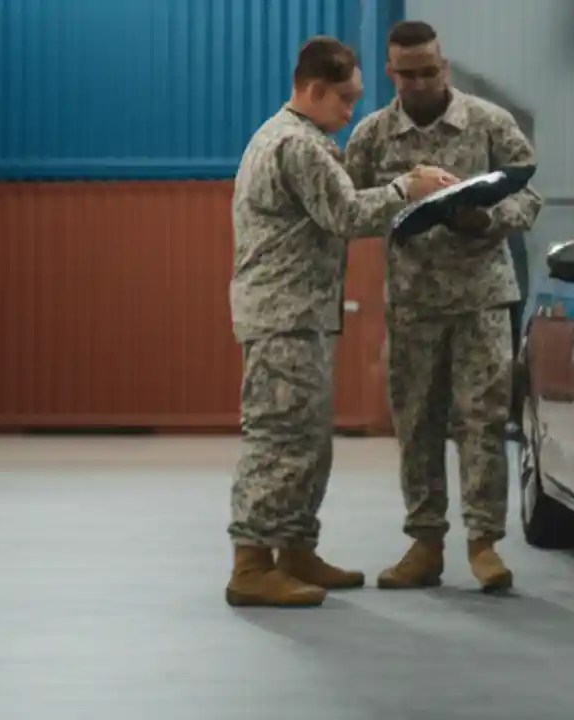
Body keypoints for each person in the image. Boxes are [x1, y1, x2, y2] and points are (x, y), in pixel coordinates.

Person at [225, 35, 457, 608]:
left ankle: (296, 549)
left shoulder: (282, 137)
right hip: (285, 318)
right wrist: (409, 188)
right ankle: (252, 563)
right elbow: (347, 214)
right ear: (315, 89)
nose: (351, 112)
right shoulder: (298, 145)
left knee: (307, 441)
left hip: (294, 315)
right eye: (345, 100)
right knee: (280, 440)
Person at [344, 20, 543, 593]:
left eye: (429, 70)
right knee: (417, 426)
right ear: (391, 73)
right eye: (407, 74)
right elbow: (349, 205)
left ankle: (484, 545)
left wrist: (486, 217)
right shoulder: (374, 136)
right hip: (413, 304)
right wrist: (398, 202)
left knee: (482, 423)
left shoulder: (488, 122)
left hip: (482, 298)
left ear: (445, 66)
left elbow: (528, 194)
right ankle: (424, 544)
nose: (420, 82)